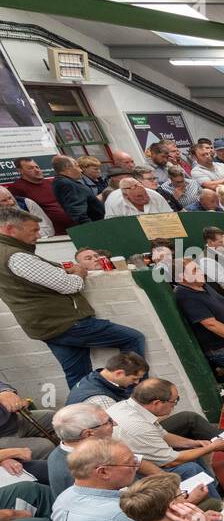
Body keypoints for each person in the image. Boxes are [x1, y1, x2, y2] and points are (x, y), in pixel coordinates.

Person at [0, 207, 148, 389]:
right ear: (10, 229)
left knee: (77, 376)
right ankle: (135, 391)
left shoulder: (8, 252)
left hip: (44, 325)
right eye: (34, 230)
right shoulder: (17, 256)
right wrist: (78, 272)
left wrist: (62, 270)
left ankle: (82, 412)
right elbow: (69, 285)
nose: (38, 235)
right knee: (132, 338)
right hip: (66, 322)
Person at [106, 379, 224, 492]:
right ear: (157, 403)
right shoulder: (139, 426)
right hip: (130, 472)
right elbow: (171, 461)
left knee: (191, 449)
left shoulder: (127, 406)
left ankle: (214, 486)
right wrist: (210, 448)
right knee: (190, 468)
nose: (175, 404)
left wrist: (194, 443)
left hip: (139, 456)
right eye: (174, 401)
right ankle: (218, 505)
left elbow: (164, 435)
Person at [5, 158, 70, 234]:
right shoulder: (17, 188)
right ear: (20, 171)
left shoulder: (50, 182)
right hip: (51, 233)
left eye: (37, 167)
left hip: (73, 225)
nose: (36, 170)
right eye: (30, 168)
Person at [0, 380, 56, 460]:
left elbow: (2, 385)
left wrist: (6, 393)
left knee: (56, 418)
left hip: (12, 421)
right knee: (46, 447)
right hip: (2, 437)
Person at [50, 155, 103, 225]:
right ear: (68, 168)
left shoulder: (66, 182)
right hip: (96, 226)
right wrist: (92, 230)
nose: (81, 170)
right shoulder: (67, 184)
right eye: (77, 166)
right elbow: (78, 213)